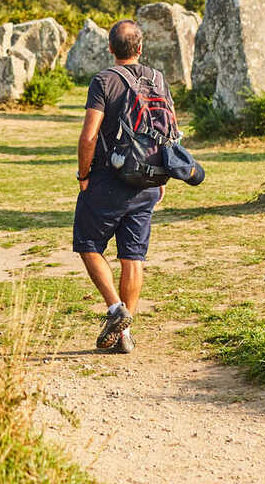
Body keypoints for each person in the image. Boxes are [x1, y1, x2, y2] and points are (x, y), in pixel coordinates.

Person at [73, 18, 167, 354]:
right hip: (148, 181)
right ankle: (125, 336)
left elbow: (89, 135)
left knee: (86, 242)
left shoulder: (104, 80)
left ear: (111, 48)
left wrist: (84, 175)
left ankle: (116, 310)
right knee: (133, 256)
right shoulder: (158, 79)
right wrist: (160, 175)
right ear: (140, 48)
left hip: (109, 178)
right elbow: (169, 131)